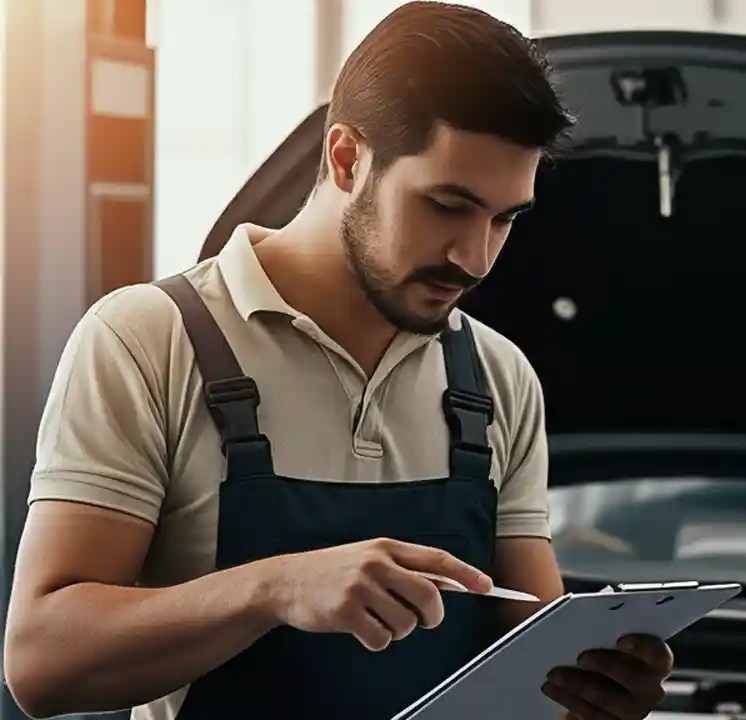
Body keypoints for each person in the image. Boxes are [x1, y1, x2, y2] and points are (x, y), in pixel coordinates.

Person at [3, 4, 672, 719]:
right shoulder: (148, 341)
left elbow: (534, 676)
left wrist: (594, 696)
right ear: (347, 158)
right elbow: (43, 665)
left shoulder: (498, 378)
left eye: (505, 219)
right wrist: (275, 589)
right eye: (447, 205)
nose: (475, 258)